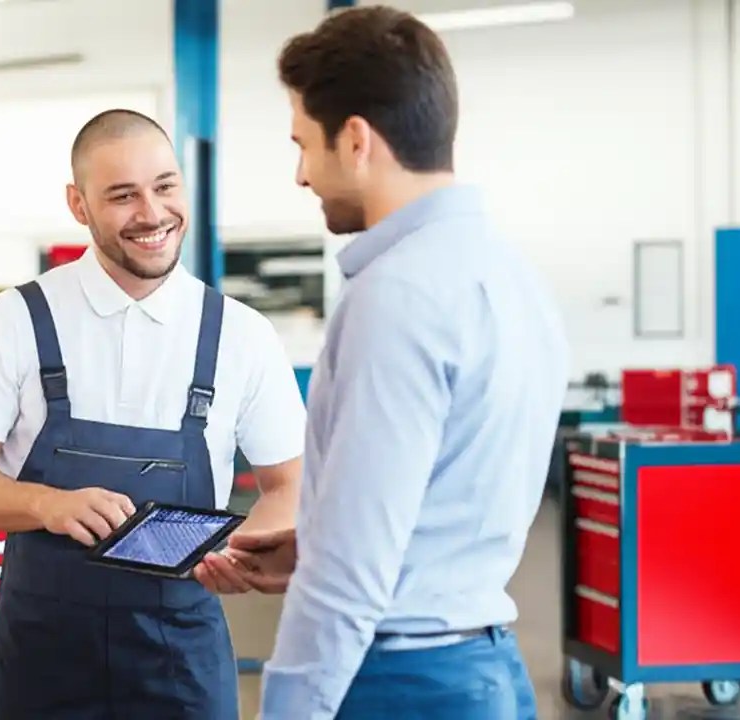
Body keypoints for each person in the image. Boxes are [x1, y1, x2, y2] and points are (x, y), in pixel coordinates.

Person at [208, 5, 570, 719]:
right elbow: (442, 501)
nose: (301, 176)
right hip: (486, 670)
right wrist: (315, 543)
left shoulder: (394, 297)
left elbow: (351, 573)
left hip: (398, 685)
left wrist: (290, 708)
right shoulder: (513, 278)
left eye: (303, 145)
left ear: (355, 140)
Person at [0, 108, 307, 719]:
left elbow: (290, 482)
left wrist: (250, 547)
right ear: (78, 205)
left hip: (180, 653)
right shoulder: (17, 320)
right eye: (123, 196)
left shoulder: (240, 334)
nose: (151, 214)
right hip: (44, 657)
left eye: (164, 187)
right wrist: (45, 504)